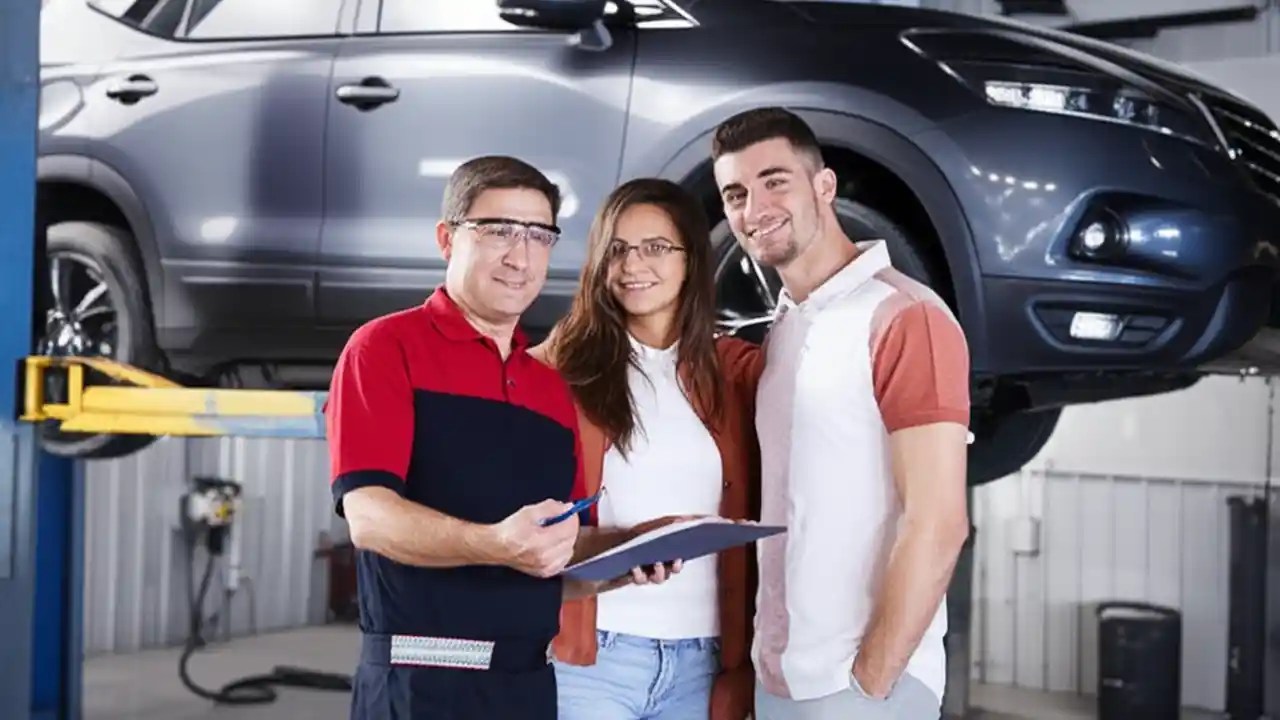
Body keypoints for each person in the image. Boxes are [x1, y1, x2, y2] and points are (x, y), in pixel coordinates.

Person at [324, 156, 676, 720]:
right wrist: (495, 543)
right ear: (447, 239)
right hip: (418, 689)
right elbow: (370, 520)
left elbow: (556, 563)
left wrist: (627, 553)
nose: (520, 255)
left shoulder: (552, 389)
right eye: (498, 232)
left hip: (529, 689)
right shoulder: (385, 349)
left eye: (539, 235)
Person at [710, 107, 972, 720]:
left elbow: (938, 523)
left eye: (776, 181)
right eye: (736, 194)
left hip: (859, 691)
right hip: (780, 683)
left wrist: (869, 681)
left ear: (823, 187)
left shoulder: (905, 317)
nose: (755, 208)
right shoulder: (787, 328)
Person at [529, 178, 764, 720]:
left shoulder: (735, 372)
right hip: (593, 660)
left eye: (655, 247)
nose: (632, 265)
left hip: (703, 666)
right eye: (617, 249)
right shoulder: (559, 369)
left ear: (691, 260)